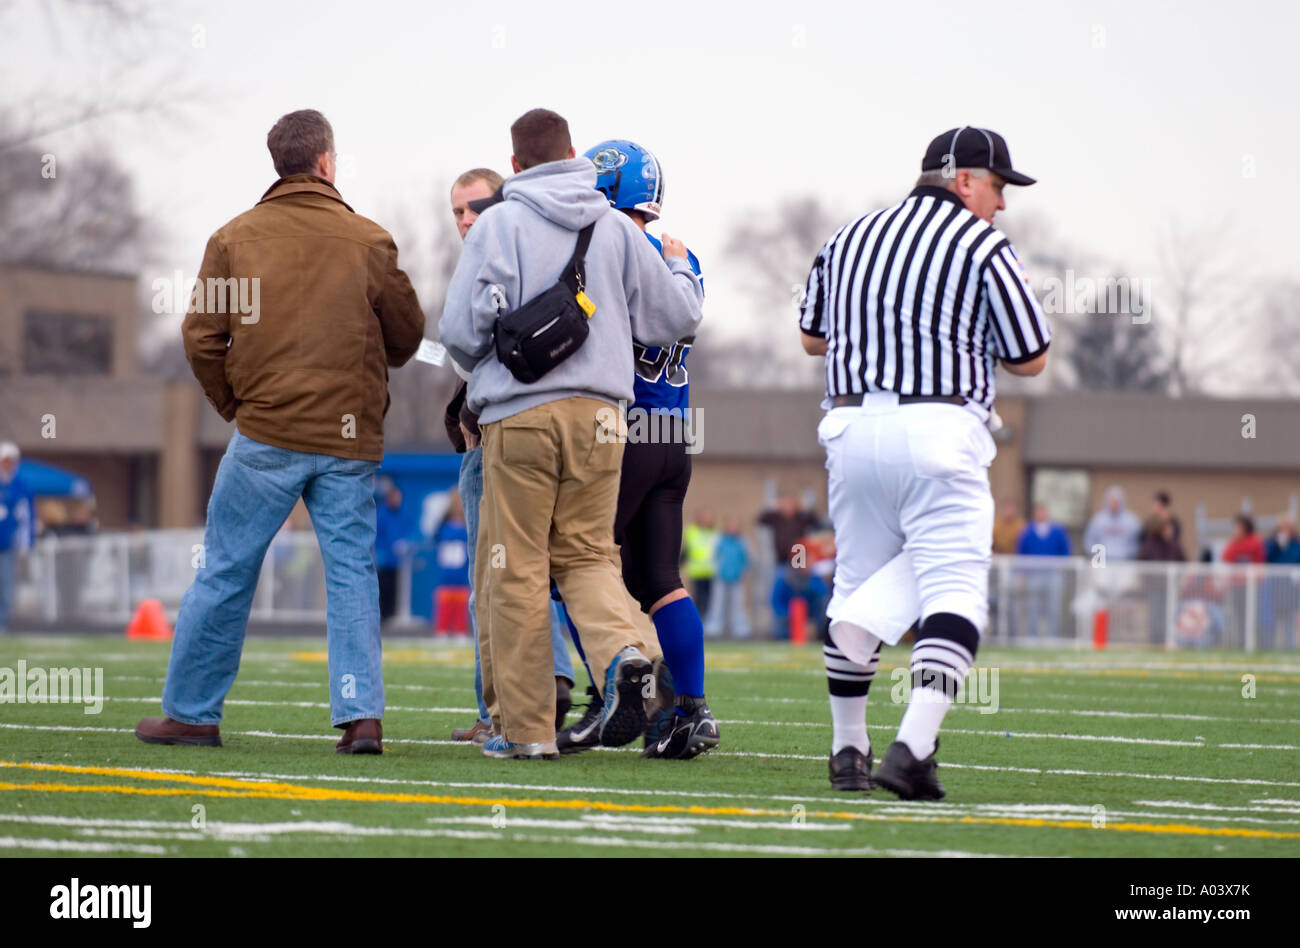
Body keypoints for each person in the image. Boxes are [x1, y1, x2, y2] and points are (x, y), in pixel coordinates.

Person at [135, 109, 425, 754]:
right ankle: (361, 718)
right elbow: (406, 338)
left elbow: (201, 337)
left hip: (265, 432)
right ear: (326, 161)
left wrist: (236, 403)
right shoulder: (370, 241)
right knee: (351, 573)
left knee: (226, 570)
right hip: (348, 440)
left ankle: (192, 713)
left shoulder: (234, 239)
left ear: (279, 164)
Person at [438, 108, 703, 760]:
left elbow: (458, 332)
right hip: (608, 419)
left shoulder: (498, 222)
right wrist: (677, 271)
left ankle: (528, 734)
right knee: (588, 559)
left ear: (517, 165)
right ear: (574, 152)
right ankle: (630, 654)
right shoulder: (615, 227)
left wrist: (490, 369)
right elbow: (675, 315)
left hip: (520, 417)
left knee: (518, 569)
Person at [799, 126, 1050, 798]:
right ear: (963, 178)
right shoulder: (981, 244)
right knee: (956, 590)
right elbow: (1031, 356)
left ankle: (848, 750)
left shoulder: (848, 236)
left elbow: (810, 338)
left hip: (851, 428)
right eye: (997, 186)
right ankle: (911, 748)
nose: (1001, 204)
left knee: (857, 590)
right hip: (938, 426)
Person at [554, 138, 719, 760]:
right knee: (659, 579)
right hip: (675, 434)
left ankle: (612, 694)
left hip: (623, 433)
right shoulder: (684, 256)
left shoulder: (608, 250)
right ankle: (689, 713)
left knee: (570, 566)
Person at [441, 166, 576, 742]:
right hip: (566, 434)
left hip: (504, 437)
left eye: (475, 206)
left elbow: (468, 344)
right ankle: (566, 676)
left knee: (498, 576)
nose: (466, 220)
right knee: (537, 569)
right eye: (457, 212)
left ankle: (504, 706)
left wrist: (470, 412)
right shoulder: (541, 248)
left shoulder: (500, 253)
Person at [1015, 504, 1071, 639]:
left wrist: (1062, 567)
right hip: (1034, 574)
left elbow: (1065, 551)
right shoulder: (1027, 531)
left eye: (1043, 511)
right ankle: (1032, 635)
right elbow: (1022, 552)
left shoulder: (1057, 531)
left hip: (1053, 574)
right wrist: (1021, 572)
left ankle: (1052, 636)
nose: (1041, 514)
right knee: (1033, 606)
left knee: (1054, 606)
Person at [0, 442, 34, 634]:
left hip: (7, 545)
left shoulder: (20, 486)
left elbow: (26, 517)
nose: (7, 465)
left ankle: (2, 622)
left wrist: (25, 544)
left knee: (6, 585)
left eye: (10, 461)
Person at [706, 516, 752, 638]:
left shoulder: (742, 542)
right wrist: (717, 570)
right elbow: (713, 557)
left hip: (737, 578)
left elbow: (747, 559)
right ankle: (714, 627)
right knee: (717, 603)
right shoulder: (719, 540)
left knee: (738, 605)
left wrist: (742, 571)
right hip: (721, 577)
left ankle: (740, 628)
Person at [375, 484, 411, 621]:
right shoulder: (382, 514)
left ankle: (390, 616)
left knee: (394, 589)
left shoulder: (402, 514)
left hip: (396, 561)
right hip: (383, 560)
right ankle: (382, 616)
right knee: (382, 589)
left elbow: (410, 532)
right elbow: (378, 536)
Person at [1264, 518, 1300, 649]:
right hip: (1275, 589)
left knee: (1289, 620)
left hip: (1291, 589)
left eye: (1287, 528)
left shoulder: (1296, 546)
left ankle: (1289, 646)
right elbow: (1266, 557)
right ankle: (1272, 646)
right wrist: (1276, 545)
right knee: (1273, 619)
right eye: (1282, 528)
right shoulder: (1272, 544)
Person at [1083, 486, 1142, 562]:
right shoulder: (1097, 521)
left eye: (1117, 501)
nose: (1114, 504)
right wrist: (1098, 556)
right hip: (1103, 562)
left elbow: (1137, 542)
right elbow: (1089, 541)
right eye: (1112, 501)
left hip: (1125, 563)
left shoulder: (1132, 521)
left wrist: (1129, 554)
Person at [680, 509, 719, 619]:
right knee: (697, 598)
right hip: (696, 571)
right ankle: (698, 619)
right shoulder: (692, 532)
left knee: (710, 599)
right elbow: (686, 551)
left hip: (711, 571)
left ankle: (707, 623)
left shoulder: (715, 534)